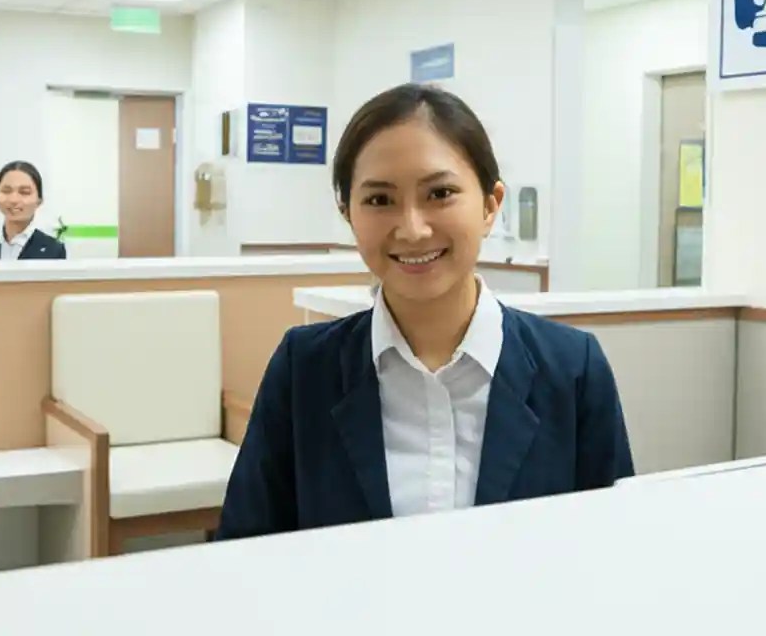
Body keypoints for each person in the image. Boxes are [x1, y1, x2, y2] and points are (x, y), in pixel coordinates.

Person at [217, 83, 634, 540]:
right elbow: (245, 544)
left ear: (491, 205)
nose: (413, 229)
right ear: (348, 213)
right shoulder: (304, 370)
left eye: (440, 193)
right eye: (379, 200)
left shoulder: (572, 370)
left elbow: (608, 546)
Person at [0, 161, 66, 260]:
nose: (13, 200)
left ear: (39, 200)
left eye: (24, 192)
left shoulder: (53, 249)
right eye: (6, 191)